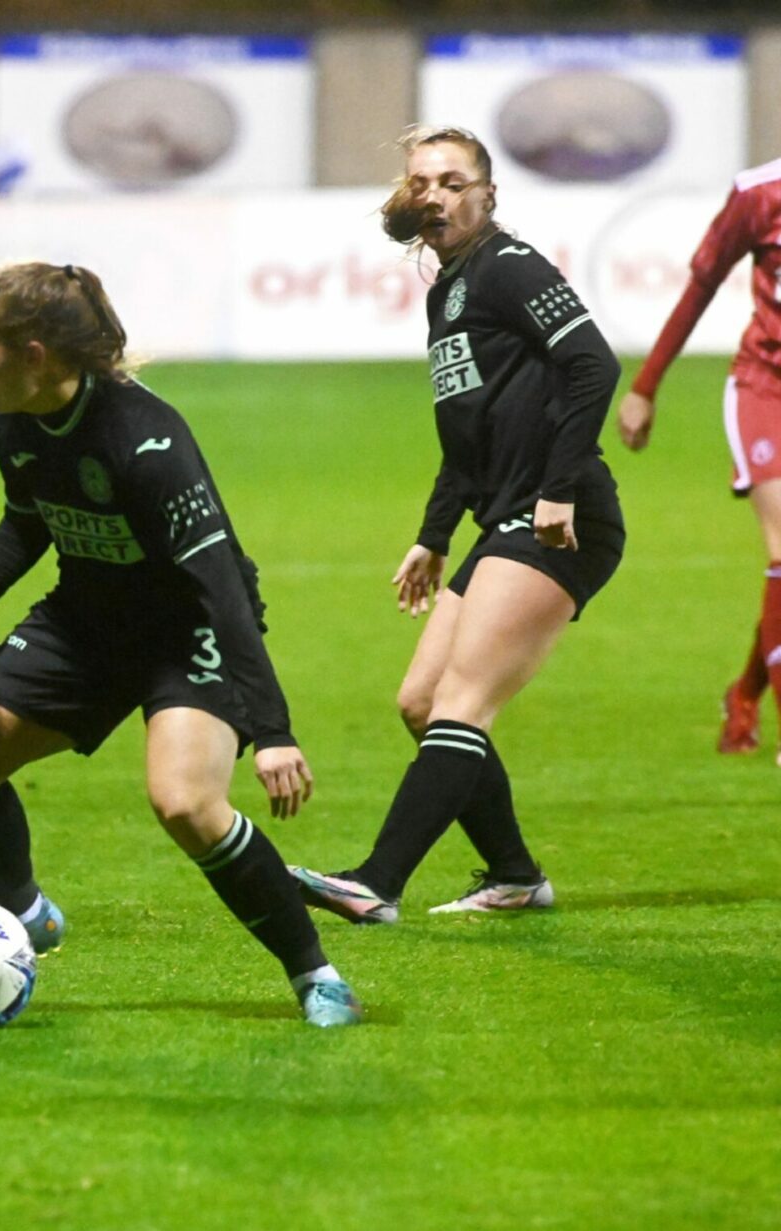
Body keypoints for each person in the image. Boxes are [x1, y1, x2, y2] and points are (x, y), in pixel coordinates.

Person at [0, 261, 359, 1029]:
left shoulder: (147, 442)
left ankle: (315, 973)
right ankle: (26, 914)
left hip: (185, 630)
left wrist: (272, 732)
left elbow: (220, 587)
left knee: (186, 804)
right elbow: (30, 516)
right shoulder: (15, 414)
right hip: (85, 620)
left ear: (34, 354)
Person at [290, 127, 623, 922]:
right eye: (420, 184)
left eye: (450, 180)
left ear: (487, 194)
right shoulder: (449, 290)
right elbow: (465, 431)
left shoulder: (510, 267)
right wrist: (434, 534)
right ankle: (513, 872)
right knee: (420, 700)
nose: (433, 195)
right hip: (501, 520)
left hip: (558, 520)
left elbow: (594, 364)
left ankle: (377, 881)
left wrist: (559, 488)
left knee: (461, 701)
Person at [618, 158, 781, 764]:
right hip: (766, 388)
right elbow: (702, 284)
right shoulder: (759, 195)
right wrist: (646, 386)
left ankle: (744, 694)